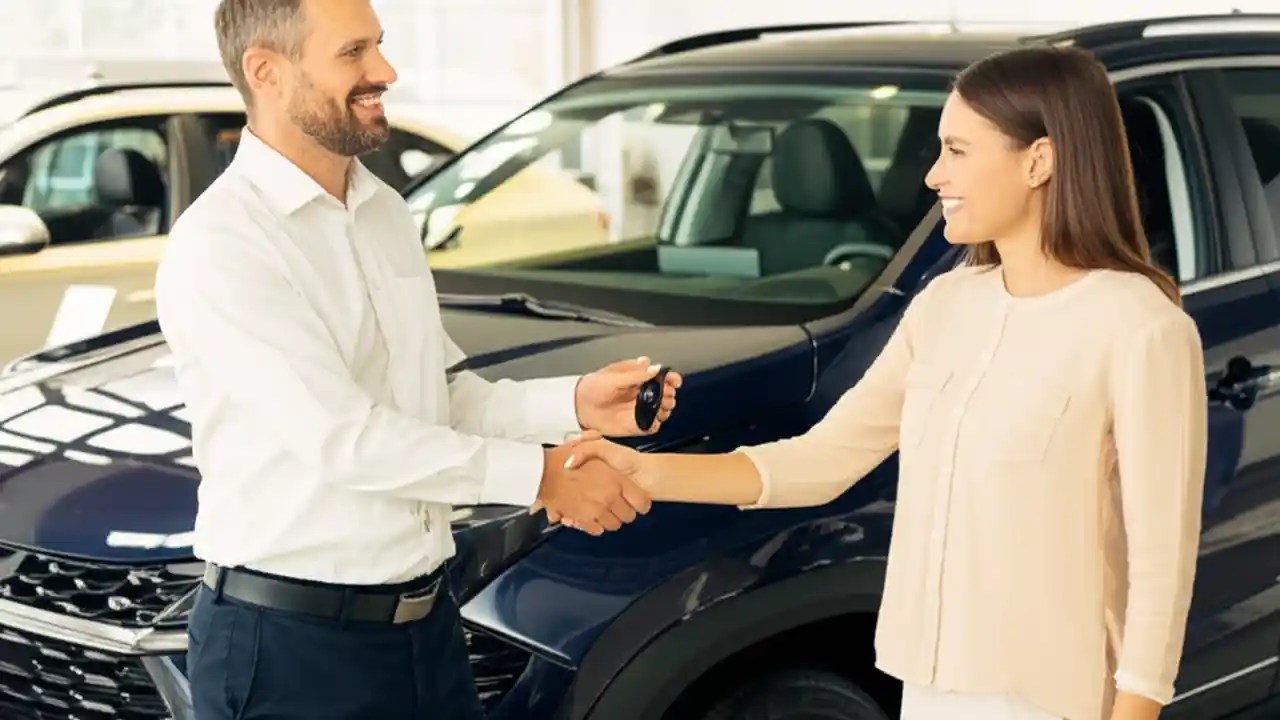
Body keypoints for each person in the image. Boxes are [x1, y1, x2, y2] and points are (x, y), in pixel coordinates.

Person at [553, 45, 1206, 720]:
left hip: (1050, 698)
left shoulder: (1140, 328)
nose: (933, 175)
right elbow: (822, 460)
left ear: (1039, 161)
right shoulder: (946, 304)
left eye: (957, 150)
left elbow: (1161, 565)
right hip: (928, 687)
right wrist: (646, 472)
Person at [154, 1, 678, 718]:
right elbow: (346, 438)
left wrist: (573, 402)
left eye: (379, 46)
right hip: (292, 655)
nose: (385, 71)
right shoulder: (224, 243)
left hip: (426, 634)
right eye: (353, 53)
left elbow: (435, 399)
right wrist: (543, 476)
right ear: (266, 72)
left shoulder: (384, 213)